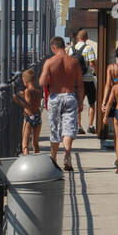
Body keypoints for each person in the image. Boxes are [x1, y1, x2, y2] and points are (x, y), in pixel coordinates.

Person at [39, 37, 82, 171]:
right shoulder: (74, 62)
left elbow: (42, 82)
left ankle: (53, 158)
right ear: (64, 46)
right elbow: (80, 85)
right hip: (70, 96)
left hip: (55, 97)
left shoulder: (50, 62)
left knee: (55, 128)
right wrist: (80, 102)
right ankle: (67, 154)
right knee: (69, 128)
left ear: (53, 48)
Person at [72, 29, 99, 134]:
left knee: (78, 103)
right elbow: (92, 64)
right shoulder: (89, 48)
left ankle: (79, 126)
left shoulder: (71, 49)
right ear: (86, 37)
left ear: (78, 38)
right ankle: (91, 125)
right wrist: (96, 73)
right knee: (92, 103)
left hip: (77, 80)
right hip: (88, 80)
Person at [12, 68, 43, 155]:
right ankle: (37, 158)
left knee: (24, 143)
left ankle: (26, 159)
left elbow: (28, 106)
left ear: (25, 80)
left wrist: (17, 101)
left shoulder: (27, 91)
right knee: (35, 143)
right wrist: (22, 95)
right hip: (38, 117)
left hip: (29, 118)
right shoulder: (38, 91)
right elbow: (35, 102)